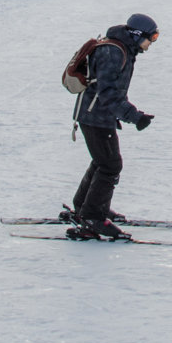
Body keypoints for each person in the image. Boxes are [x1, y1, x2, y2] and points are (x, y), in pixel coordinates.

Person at [69, 13, 159, 239]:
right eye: (152, 37)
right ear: (137, 34)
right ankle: (92, 217)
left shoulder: (121, 49)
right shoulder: (114, 52)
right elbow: (108, 93)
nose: (152, 43)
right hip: (95, 116)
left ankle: (85, 207)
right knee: (110, 165)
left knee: (103, 161)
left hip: (97, 115)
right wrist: (135, 116)